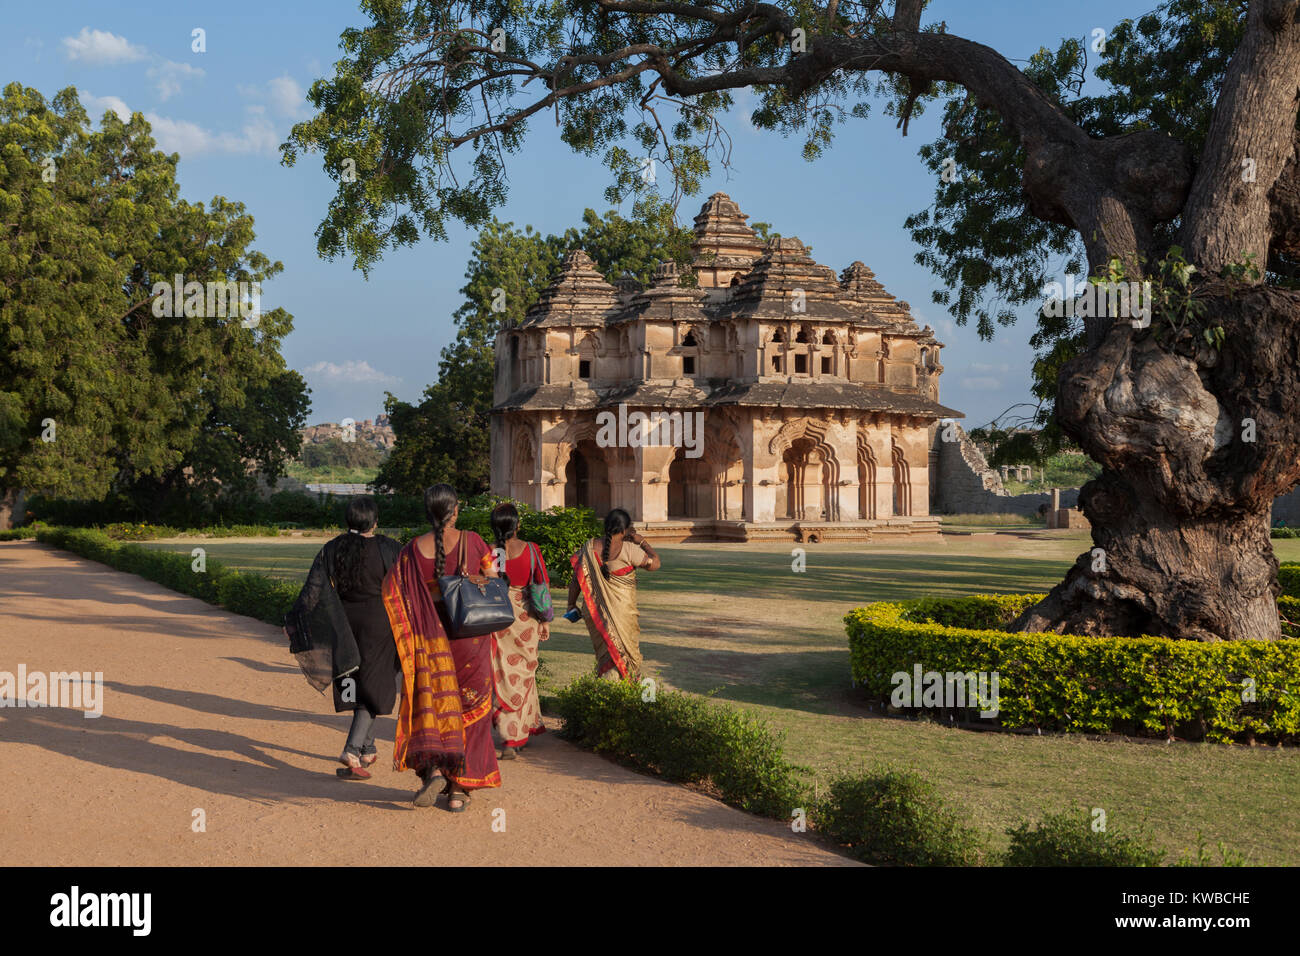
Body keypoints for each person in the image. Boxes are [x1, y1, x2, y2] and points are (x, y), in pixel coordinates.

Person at [381, 483, 501, 812]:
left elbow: (393, 594)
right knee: (471, 714)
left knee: (433, 710)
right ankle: (459, 789)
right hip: (470, 642)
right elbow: (493, 579)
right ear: (456, 509)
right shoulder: (474, 542)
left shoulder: (411, 550)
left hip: (430, 645)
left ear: (428, 511)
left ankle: (433, 769)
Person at [283, 496, 401, 780]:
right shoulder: (388, 547)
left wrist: (296, 621)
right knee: (376, 687)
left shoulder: (332, 548)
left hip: (344, 623)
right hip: (379, 625)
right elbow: (407, 583)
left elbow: (312, 591)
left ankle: (367, 749)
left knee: (358, 683)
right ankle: (352, 748)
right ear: (375, 521)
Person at [566, 508, 660, 681]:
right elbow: (655, 563)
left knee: (605, 653)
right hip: (623, 613)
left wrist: (571, 605)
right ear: (624, 530)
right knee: (625, 653)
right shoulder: (630, 549)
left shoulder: (588, 548)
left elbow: (575, 581)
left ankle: (607, 687)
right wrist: (643, 542)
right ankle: (622, 690)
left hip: (594, 612)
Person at [488, 502, 551, 759]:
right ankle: (515, 737)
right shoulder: (531, 549)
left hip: (498, 621)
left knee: (502, 676)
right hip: (527, 620)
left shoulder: (490, 552)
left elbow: (485, 583)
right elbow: (541, 583)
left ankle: (509, 734)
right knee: (523, 675)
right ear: (517, 526)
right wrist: (545, 621)